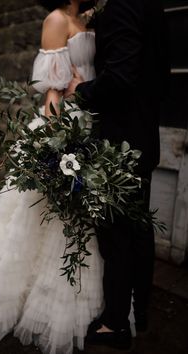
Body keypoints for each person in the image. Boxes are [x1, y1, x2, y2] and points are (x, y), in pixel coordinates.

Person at [0, 1, 106, 354]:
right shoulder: (55, 20)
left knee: (82, 218)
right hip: (63, 123)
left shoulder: (87, 17)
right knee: (47, 214)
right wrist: (55, 144)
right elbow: (52, 90)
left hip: (92, 120)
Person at [65, 0, 170, 349]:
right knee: (138, 232)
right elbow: (159, 71)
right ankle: (139, 316)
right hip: (143, 135)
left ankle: (115, 324)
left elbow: (121, 78)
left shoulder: (123, 5)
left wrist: (80, 92)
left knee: (117, 237)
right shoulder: (152, 6)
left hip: (120, 143)